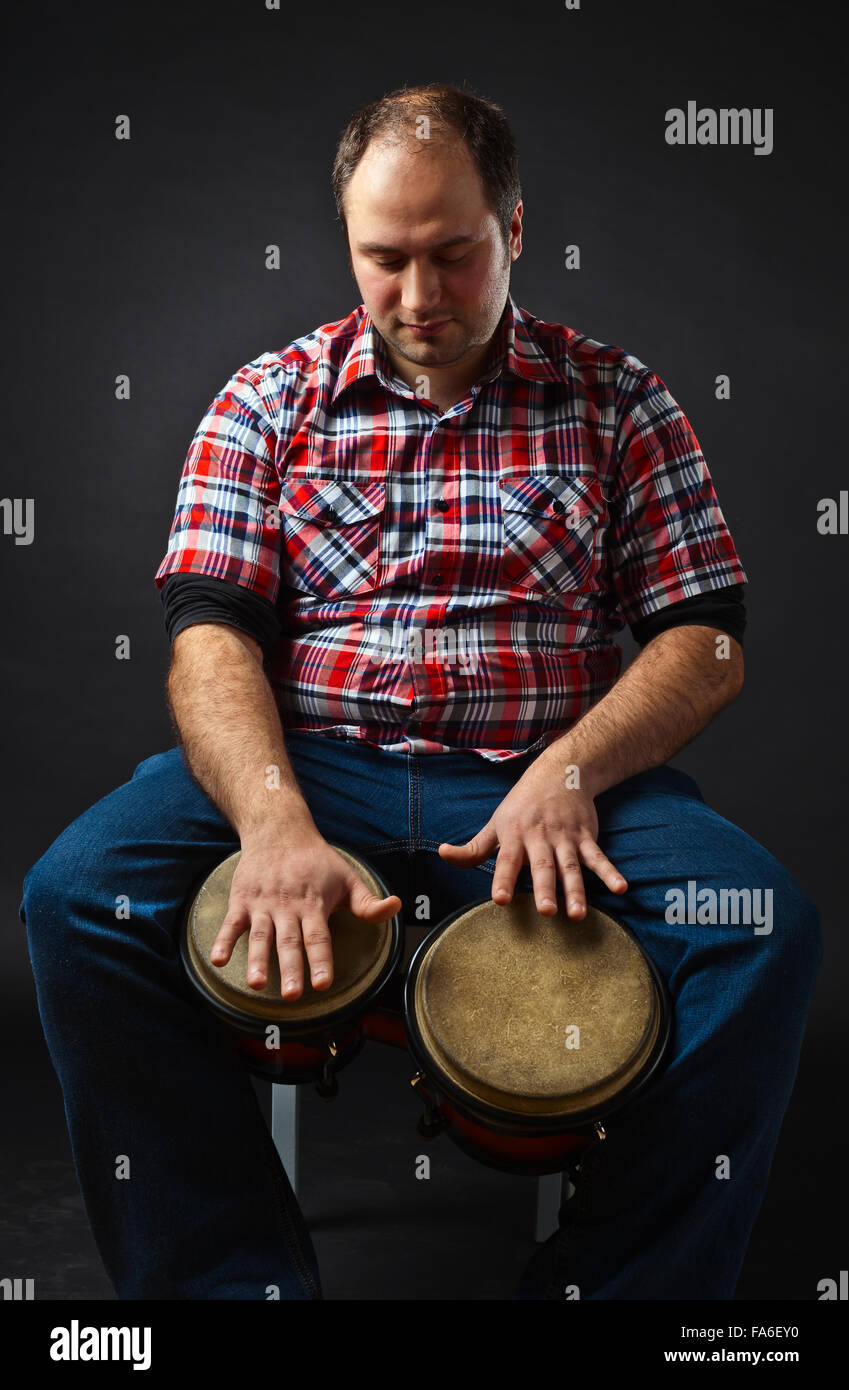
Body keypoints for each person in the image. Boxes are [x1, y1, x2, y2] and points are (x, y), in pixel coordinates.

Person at [19, 82, 821, 1301]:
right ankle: (228, 1287)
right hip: (318, 766)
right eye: (383, 260)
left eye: (453, 255)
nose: (418, 297)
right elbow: (208, 637)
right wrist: (274, 817)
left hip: (547, 784)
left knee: (765, 929)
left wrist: (571, 773)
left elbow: (708, 637)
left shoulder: (620, 402)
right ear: (347, 240)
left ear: (514, 227)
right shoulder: (265, 401)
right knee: (76, 897)